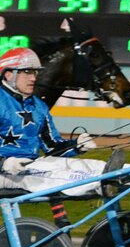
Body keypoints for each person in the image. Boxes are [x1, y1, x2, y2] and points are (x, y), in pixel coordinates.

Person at [0, 46, 123, 198]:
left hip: (29, 165)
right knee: (52, 176)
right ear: (9, 74)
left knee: (88, 165)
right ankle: (100, 183)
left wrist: (76, 145)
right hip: (5, 173)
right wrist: (4, 162)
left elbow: (52, 147)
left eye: (35, 72)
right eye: (27, 72)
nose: (33, 78)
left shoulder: (38, 106)